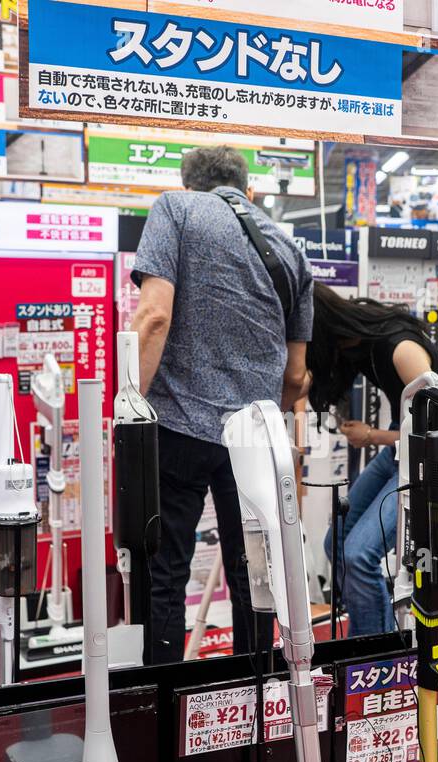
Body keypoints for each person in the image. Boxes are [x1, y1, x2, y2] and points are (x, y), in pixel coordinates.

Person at [131, 145, 314, 663]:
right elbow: (296, 376)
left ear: (190, 184)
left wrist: (129, 409)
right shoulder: (288, 246)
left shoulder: (176, 209)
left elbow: (153, 319)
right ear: (248, 188)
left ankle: (164, 701)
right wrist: (258, 415)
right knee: (253, 571)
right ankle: (249, 697)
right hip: (254, 438)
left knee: (165, 570)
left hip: (179, 427)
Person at [306, 283, 438, 637]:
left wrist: (372, 436)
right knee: (337, 544)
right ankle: (372, 632)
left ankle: (374, 654)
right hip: (402, 442)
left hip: (432, 452)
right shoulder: (353, 344)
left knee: (359, 555)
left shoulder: (399, 348)